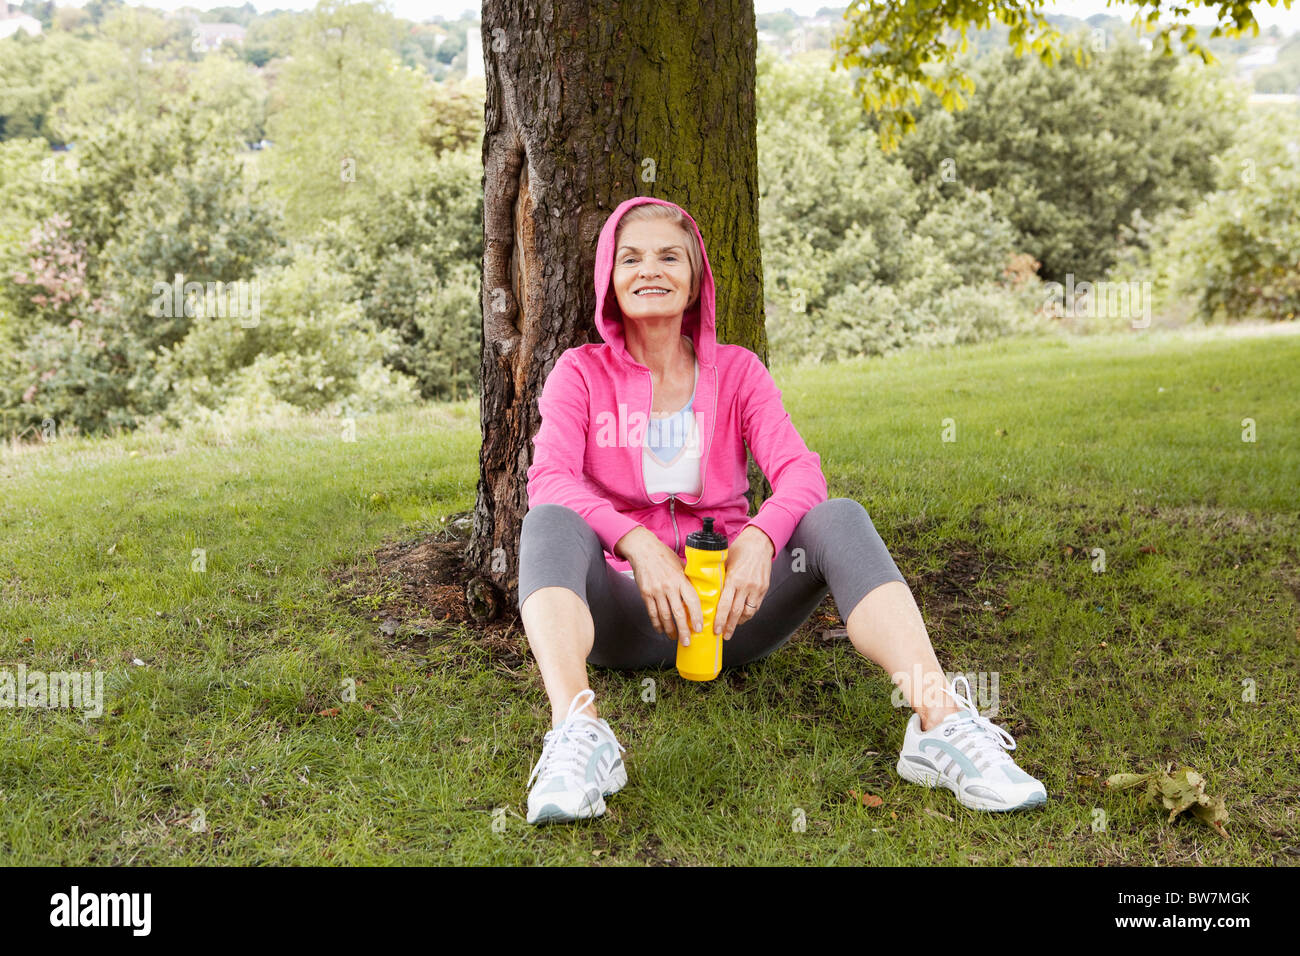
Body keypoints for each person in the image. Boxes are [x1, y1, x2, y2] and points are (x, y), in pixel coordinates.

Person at [517, 196, 1046, 824]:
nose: (649, 270)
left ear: (695, 279)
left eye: (668, 256)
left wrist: (763, 538)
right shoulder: (579, 373)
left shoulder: (738, 372)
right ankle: (579, 737)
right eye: (630, 258)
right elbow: (549, 477)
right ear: (610, 276)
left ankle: (941, 723)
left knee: (839, 516)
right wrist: (637, 543)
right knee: (548, 520)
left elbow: (800, 471)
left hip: (736, 615)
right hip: (626, 613)